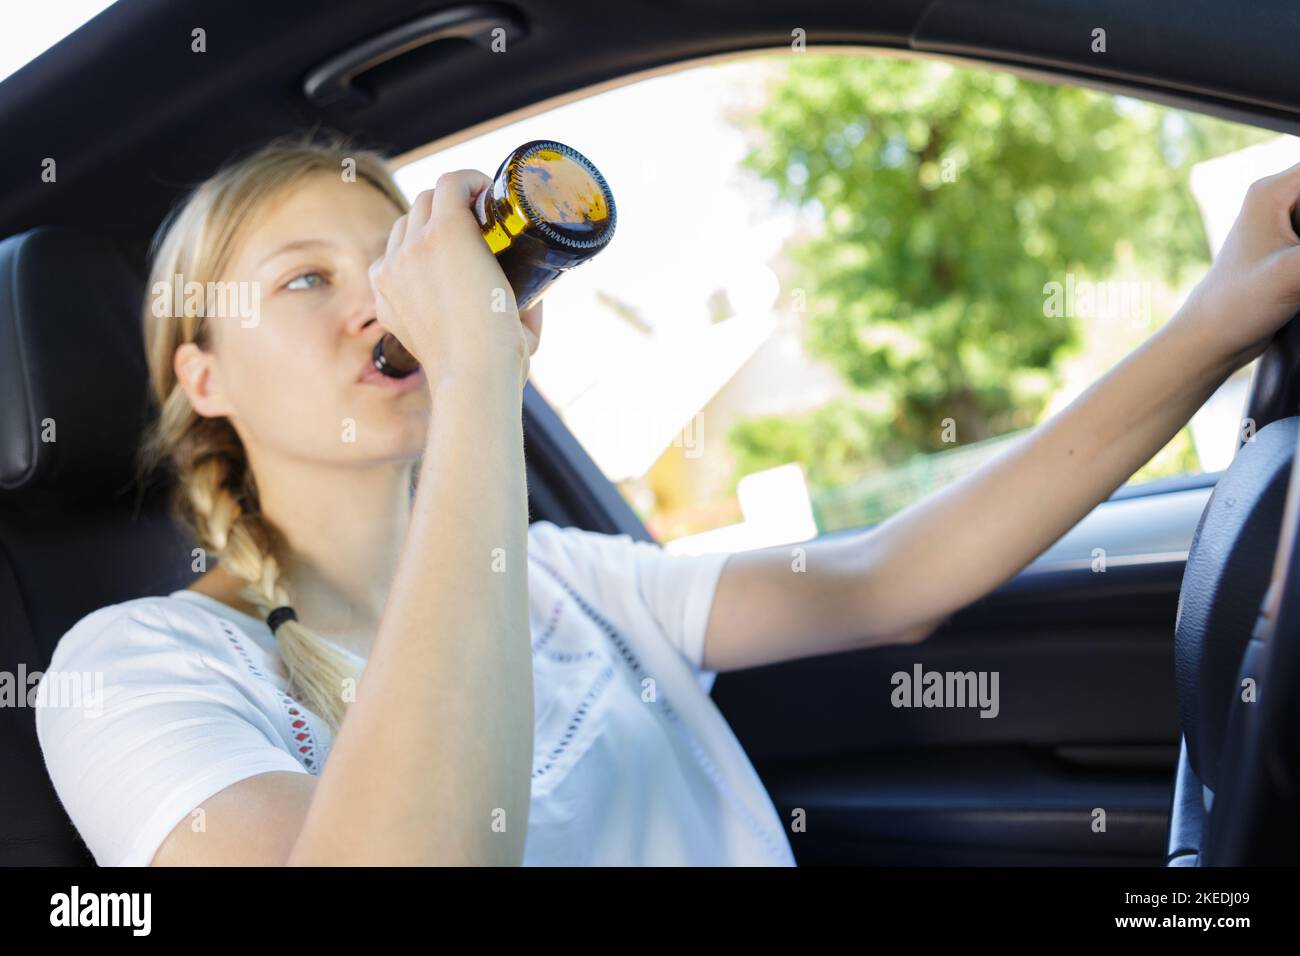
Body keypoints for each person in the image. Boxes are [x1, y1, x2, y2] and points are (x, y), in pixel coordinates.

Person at [33, 130, 1300, 866]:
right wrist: (479, 382)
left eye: (390, 263)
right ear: (201, 372)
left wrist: (1213, 321)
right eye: (305, 280)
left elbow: (889, 580)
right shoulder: (135, 670)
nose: (375, 300)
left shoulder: (567, 579)